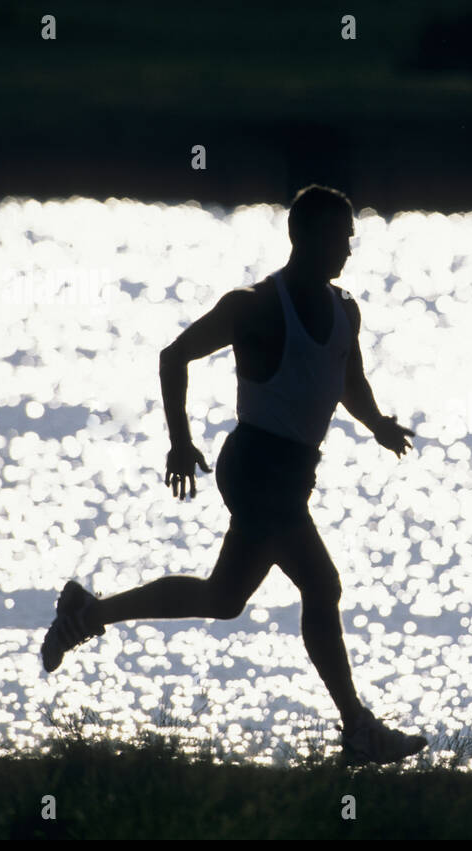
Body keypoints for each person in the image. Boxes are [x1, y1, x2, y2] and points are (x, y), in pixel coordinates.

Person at [40, 184, 428, 765]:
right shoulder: (255, 306)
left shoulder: (346, 311)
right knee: (321, 586)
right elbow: (174, 356)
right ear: (306, 237)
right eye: (340, 237)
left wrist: (377, 425)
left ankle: (85, 612)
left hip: (294, 476)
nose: (349, 249)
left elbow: (349, 381)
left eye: (350, 238)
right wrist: (178, 442)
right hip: (255, 469)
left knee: (223, 597)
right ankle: (358, 728)